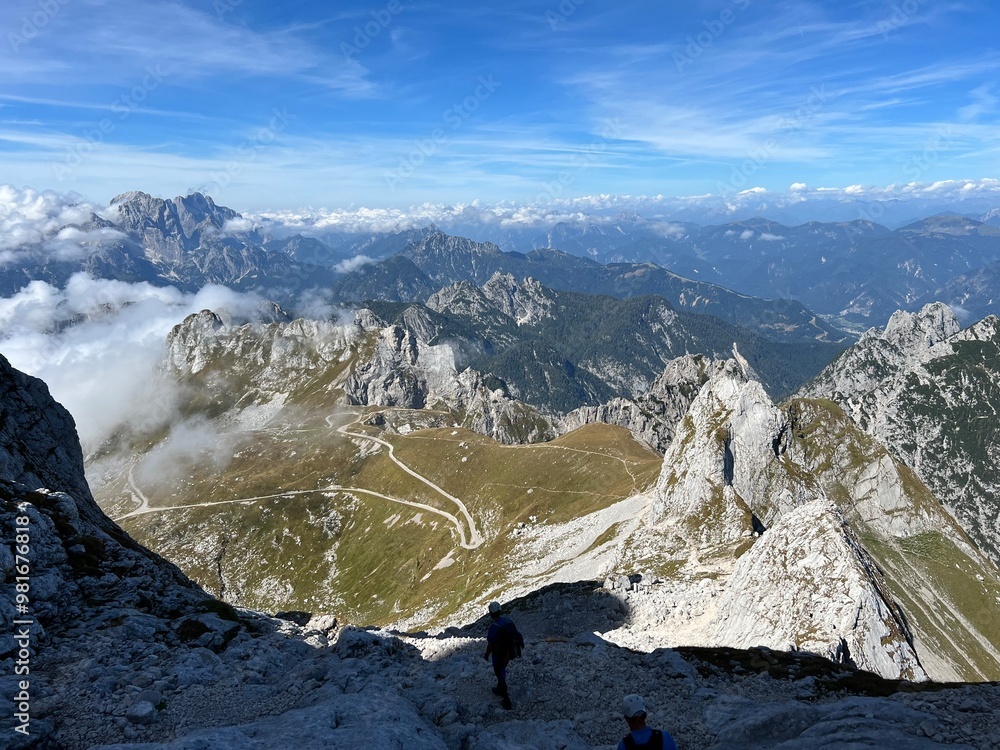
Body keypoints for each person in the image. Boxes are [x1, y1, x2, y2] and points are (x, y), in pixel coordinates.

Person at [483, 601, 519, 710]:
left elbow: (491, 643)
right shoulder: (508, 621)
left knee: (499, 672)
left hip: (499, 653)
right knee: (502, 669)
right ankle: (499, 688)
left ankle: (506, 700)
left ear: (491, 613)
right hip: (510, 651)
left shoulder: (494, 626)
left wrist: (487, 654)